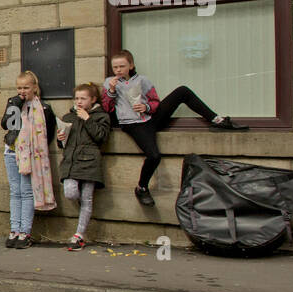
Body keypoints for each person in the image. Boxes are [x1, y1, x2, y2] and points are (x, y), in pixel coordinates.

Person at [103, 49, 248, 206]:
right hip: (132, 124)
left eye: (122, 66)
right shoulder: (110, 83)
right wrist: (111, 91)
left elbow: (155, 101)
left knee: (182, 91)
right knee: (154, 156)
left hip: (150, 118)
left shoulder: (143, 80)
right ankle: (142, 188)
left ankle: (217, 120)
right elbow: (107, 108)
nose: (118, 70)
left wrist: (146, 107)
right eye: (115, 67)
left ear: (131, 65)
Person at [1, 70, 57, 249]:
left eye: (26, 87)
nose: (22, 91)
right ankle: (14, 230)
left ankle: (25, 232)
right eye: (19, 88)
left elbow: (47, 135)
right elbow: (6, 125)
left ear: (34, 88)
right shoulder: (13, 102)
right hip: (11, 151)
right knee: (14, 192)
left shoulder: (44, 109)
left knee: (26, 192)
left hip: (30, 155)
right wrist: (15, 106)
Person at [56, 83, 111, 250]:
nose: (79, 102)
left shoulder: (101, 117)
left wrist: (88, 119)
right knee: (71, 193)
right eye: (77, 98)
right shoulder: (68, 117)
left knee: (87, 199)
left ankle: (78, 236)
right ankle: (84, 216)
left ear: (93, 99)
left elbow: (101, 137)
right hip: (71, 162)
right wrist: (60, 138)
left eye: (83, 98)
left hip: (90, 162)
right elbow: (62, 144)